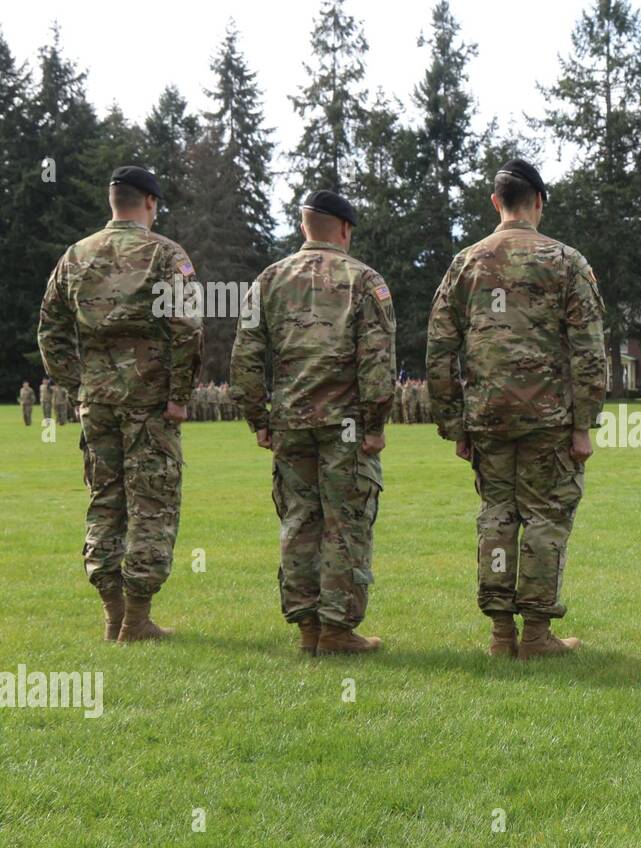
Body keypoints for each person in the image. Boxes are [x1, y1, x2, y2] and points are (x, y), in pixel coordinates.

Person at [427, 158, 606, 661]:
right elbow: (589, 348)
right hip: (549, 420)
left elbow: (439, 347)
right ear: (539, 203)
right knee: (546, 518)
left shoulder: (465, 263)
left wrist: (454, 423)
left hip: (487, 419)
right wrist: (583, 424)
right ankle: (535, 636)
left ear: (495, 203)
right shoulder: (566, 261)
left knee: (498, 518)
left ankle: (500, 636)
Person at [37, 165, 203, 642]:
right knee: (152, 502)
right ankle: (136, 617)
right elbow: (188, 328)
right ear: (150, 202)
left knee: (105, 501)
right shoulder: (165, 254)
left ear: (114, 201)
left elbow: (50, 331)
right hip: (150, 405)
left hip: (99, 404)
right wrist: (178, 397)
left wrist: (79, 387)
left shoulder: (76, 256)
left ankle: (114, 615)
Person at [230, 189, 396, 657]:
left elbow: (244, 358)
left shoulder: (268, 280)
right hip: (345, 425)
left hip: (290, 423)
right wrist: (376, 423)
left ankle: (308, 629)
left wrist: (257, 419)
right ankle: (337, 631)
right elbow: (378, 362)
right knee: (346, 523)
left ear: (305, 226)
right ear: (344, 229)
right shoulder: (363, 280)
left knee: (299, 521)